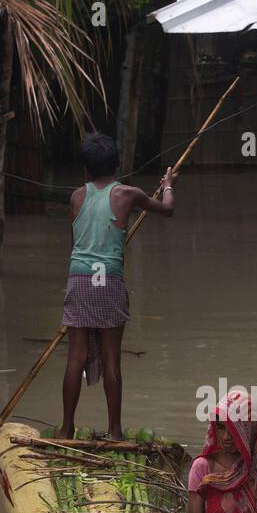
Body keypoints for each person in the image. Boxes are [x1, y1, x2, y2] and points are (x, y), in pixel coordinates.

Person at [57, 132, 176, 440]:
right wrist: (168, 186)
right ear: (117, 163)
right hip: (107, 279)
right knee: (111, 357)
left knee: (76, 357)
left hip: (80, 277)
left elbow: (77, 244)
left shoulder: (76, 196)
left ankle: (66, 429)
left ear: (85, 169)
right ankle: (114, 430)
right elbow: (167, 209)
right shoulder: (128, 194)